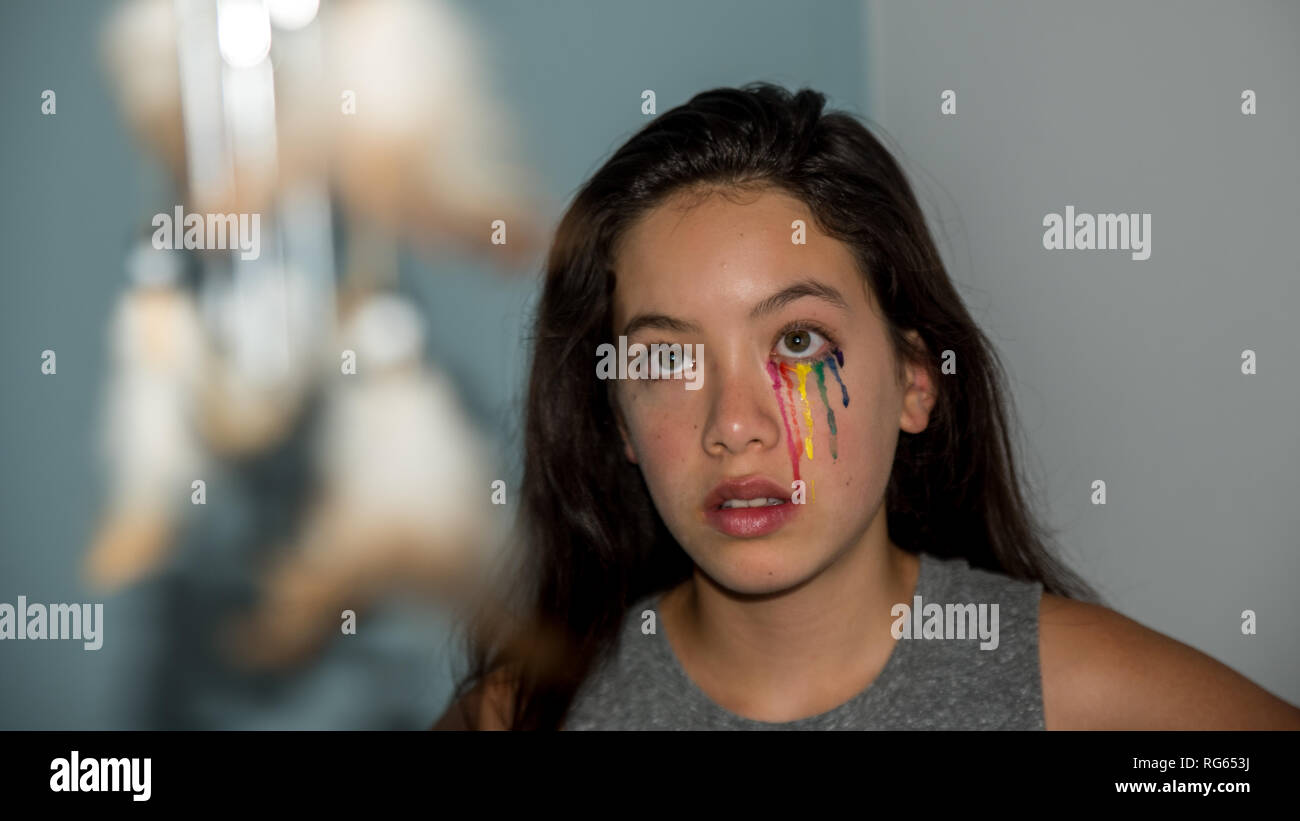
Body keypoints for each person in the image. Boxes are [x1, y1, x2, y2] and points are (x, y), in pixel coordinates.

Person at [433, 83, 1300, 730]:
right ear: (616, 417)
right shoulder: (522, 715)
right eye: (667, 357)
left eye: (800, 343)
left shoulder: (1089, 700)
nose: (736, 424)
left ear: (916, 382)